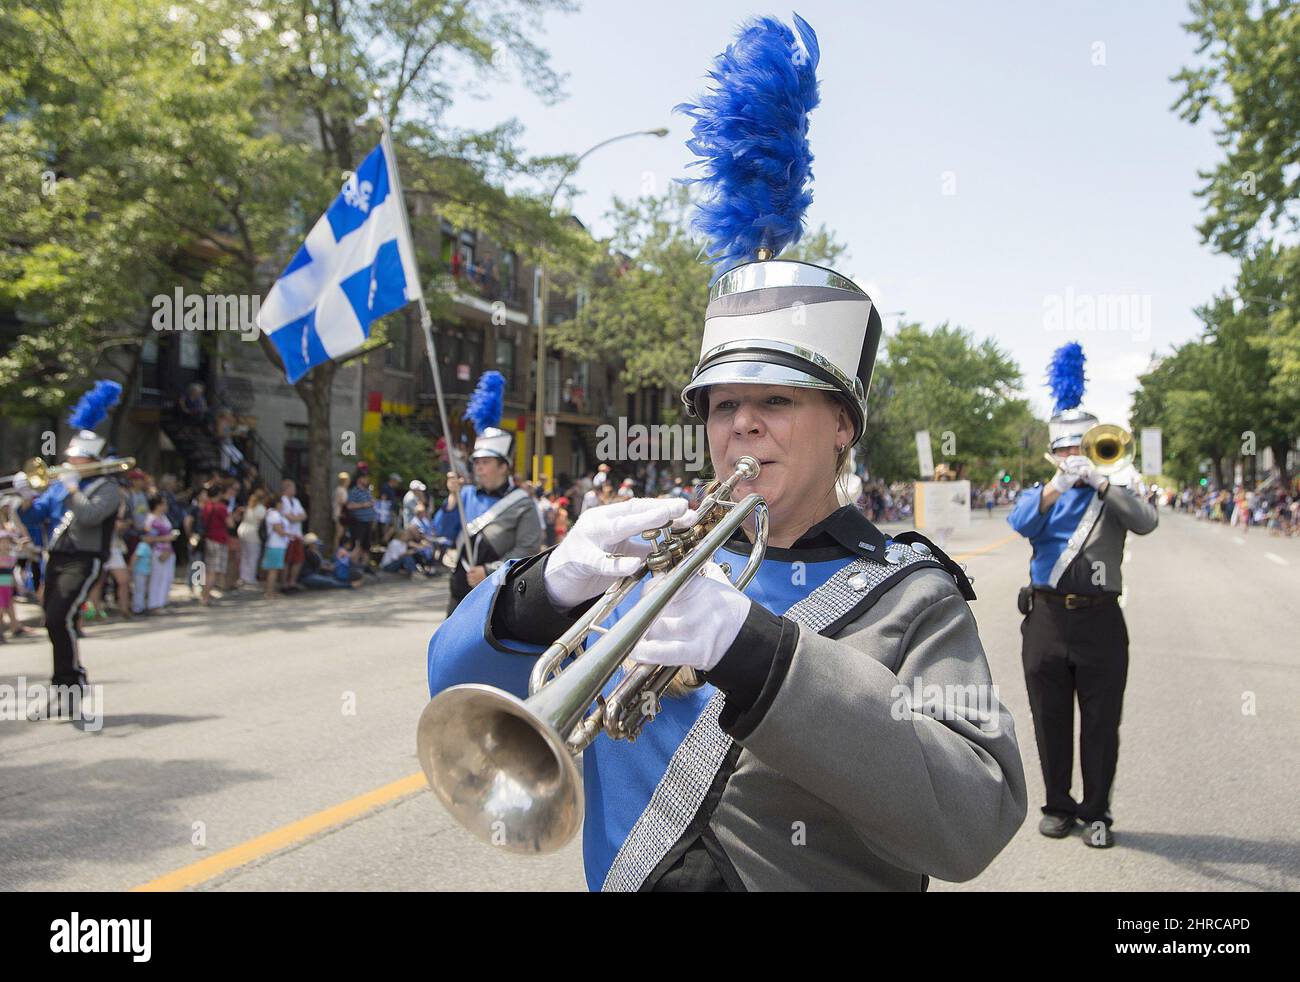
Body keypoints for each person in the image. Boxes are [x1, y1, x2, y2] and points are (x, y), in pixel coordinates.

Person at [425, 20, 1025, 890]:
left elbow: (972, 817)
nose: (741, 425)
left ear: (844, 425)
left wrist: (757, 655)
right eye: (721, 404)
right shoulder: (648, 558)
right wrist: (543, 589)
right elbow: (452, 687)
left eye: (775, 402)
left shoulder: (911, 596)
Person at [1007, 343, 1158, 849]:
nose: (1074, 457)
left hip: (1101, 621)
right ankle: (1057, 806)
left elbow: (1146, 522)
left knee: (1100, 722)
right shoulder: (1040, 492)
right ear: (1055, 452)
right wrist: (1054, 486)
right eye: (1066, 449)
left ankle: (1097, 813)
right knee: (1049, 718)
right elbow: (1020, 523)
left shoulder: (1112, 489)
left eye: (1080, 448)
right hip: (1047, 617)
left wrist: (1102, 483)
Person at [432, 371, 544, 617]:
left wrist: (489, 570)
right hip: (459, 591)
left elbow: (527, 551)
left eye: (485, 462)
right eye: (476, 462)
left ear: (504, 466)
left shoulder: (523, 504)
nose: (478, 467)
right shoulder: (465, 494)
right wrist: (451, 499)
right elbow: (441, 533)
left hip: (498, 593)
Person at [43, 382, 123, 716]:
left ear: (89, 459)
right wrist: (24, 498)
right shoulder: (64, 486)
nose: (68, 462)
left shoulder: (108, 487)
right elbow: (38, 515)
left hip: (84, 559)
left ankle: (72, 681)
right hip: (57, 557)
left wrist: (73, 488)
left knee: (61, 617)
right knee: (53, 622)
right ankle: (65, 684)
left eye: (74, 458)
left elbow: (90, 516)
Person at [143, 494, 177, 612]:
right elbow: (148, 538)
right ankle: (154, 604)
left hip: (169, 551)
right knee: (157, 577)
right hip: (157, 551)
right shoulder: (150, 519)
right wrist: (166, 538)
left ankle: (162, 602)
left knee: (167, 577)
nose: (166, 506)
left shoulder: (164, 517)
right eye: (163, 503)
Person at [199, 480, 230, 606]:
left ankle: (205, 593)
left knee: (208, 569)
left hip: (208, 539)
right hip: (219, 539)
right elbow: (230, 523)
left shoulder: (206, 506)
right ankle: (206, 597)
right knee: (213, 571)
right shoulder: (221, 507)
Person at [278, 479, 308, 589]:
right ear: (287, 488)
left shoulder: (296, 501)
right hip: (287, 535)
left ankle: (292, 581)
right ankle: (284, 582)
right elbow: (288, 517)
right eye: (292, 487)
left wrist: (296, 517)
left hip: (297, 534)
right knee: (287, 560)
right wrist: (296, 517)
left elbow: (304, 515)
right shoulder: (282, 501)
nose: (294, 490)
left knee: (298, 559)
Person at [345, 471, 377, 568]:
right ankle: (354, 566)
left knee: (366, 546)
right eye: (365, 478)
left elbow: (371, 503)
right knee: (357, 544)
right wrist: (363, 505)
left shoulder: (367, 491)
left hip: (368, 521)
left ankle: (364, 566)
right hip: (359, 522)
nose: (367, 480)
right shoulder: (354, 491)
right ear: (360, 479)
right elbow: (349, 506)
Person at [237, 488, 268, 587]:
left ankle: (243, 576)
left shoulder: (249, 507)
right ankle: (250, 578)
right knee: (253, 557)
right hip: (253, 535)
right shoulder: (261, 509)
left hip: (243, 532)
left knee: (244, 556)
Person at [261, 504, 289, 600]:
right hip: (275, 545)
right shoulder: (274, 514)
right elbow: (279, 530)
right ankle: (269, 592)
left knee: (274, 570)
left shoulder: (275, 514)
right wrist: (291, 534)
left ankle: (271, 591)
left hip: (277, 545)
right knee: (273, 570)